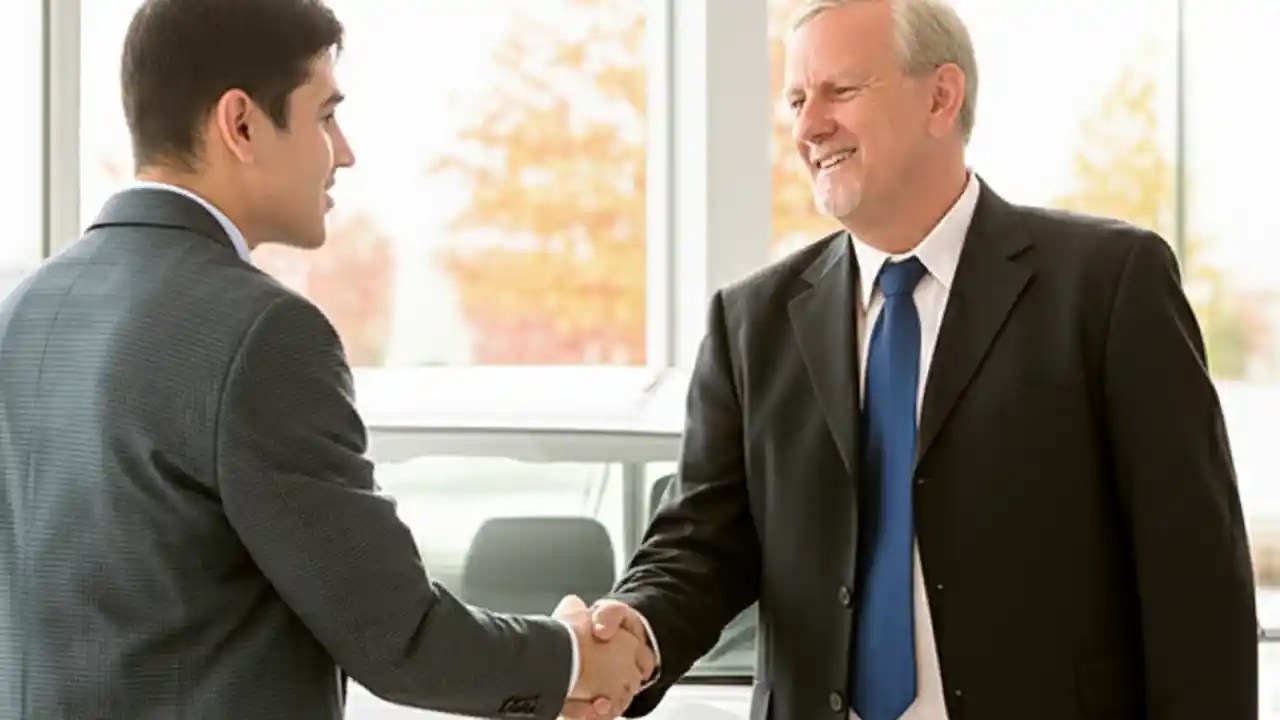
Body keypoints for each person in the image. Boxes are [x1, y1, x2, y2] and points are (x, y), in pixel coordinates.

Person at [576, 0, 1259, 718]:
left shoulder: (1108, 287)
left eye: (840, 91)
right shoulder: (753, 323)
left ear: (941, 96)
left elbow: (1196, 580)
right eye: (798, 100)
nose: (809, 127)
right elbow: (699, 546)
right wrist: (632, 634)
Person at [0, 1, 650, 718]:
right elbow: (399, 637)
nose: (344, 151)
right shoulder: (261, 333)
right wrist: (573, 657)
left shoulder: (23, 314)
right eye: (325, 114)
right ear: (241, 124)